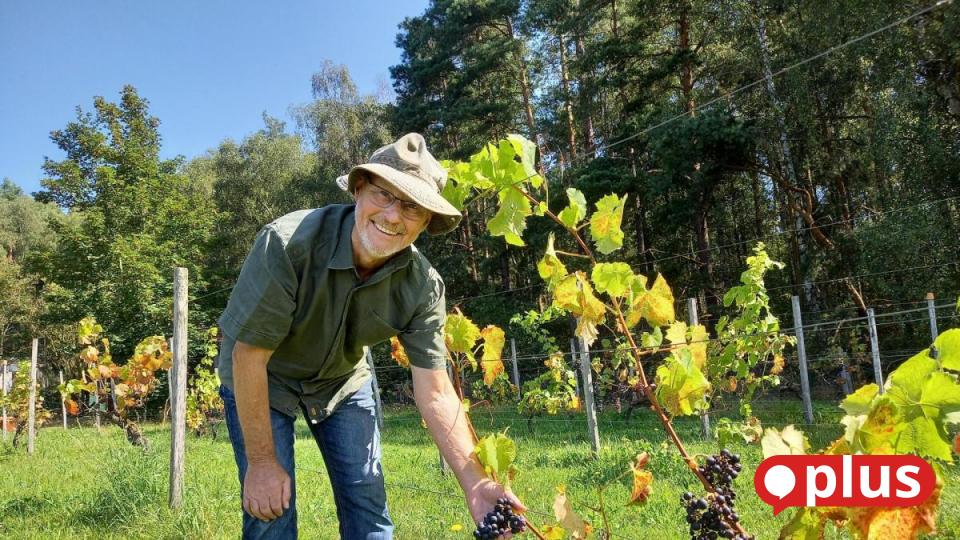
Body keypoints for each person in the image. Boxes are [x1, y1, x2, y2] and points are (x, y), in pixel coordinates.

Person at [216, 133, 525, 539]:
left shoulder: (423, 287)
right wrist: (261, 463)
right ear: (358, 190)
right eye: (384, 195)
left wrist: (477, 484)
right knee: (271, 510)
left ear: (427, 221)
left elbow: (435, 391)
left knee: (367, 500)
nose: (394, 215)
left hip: (344, 382)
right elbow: (249, 355)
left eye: (412, 206)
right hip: (263, 377)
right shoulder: (289, 244)